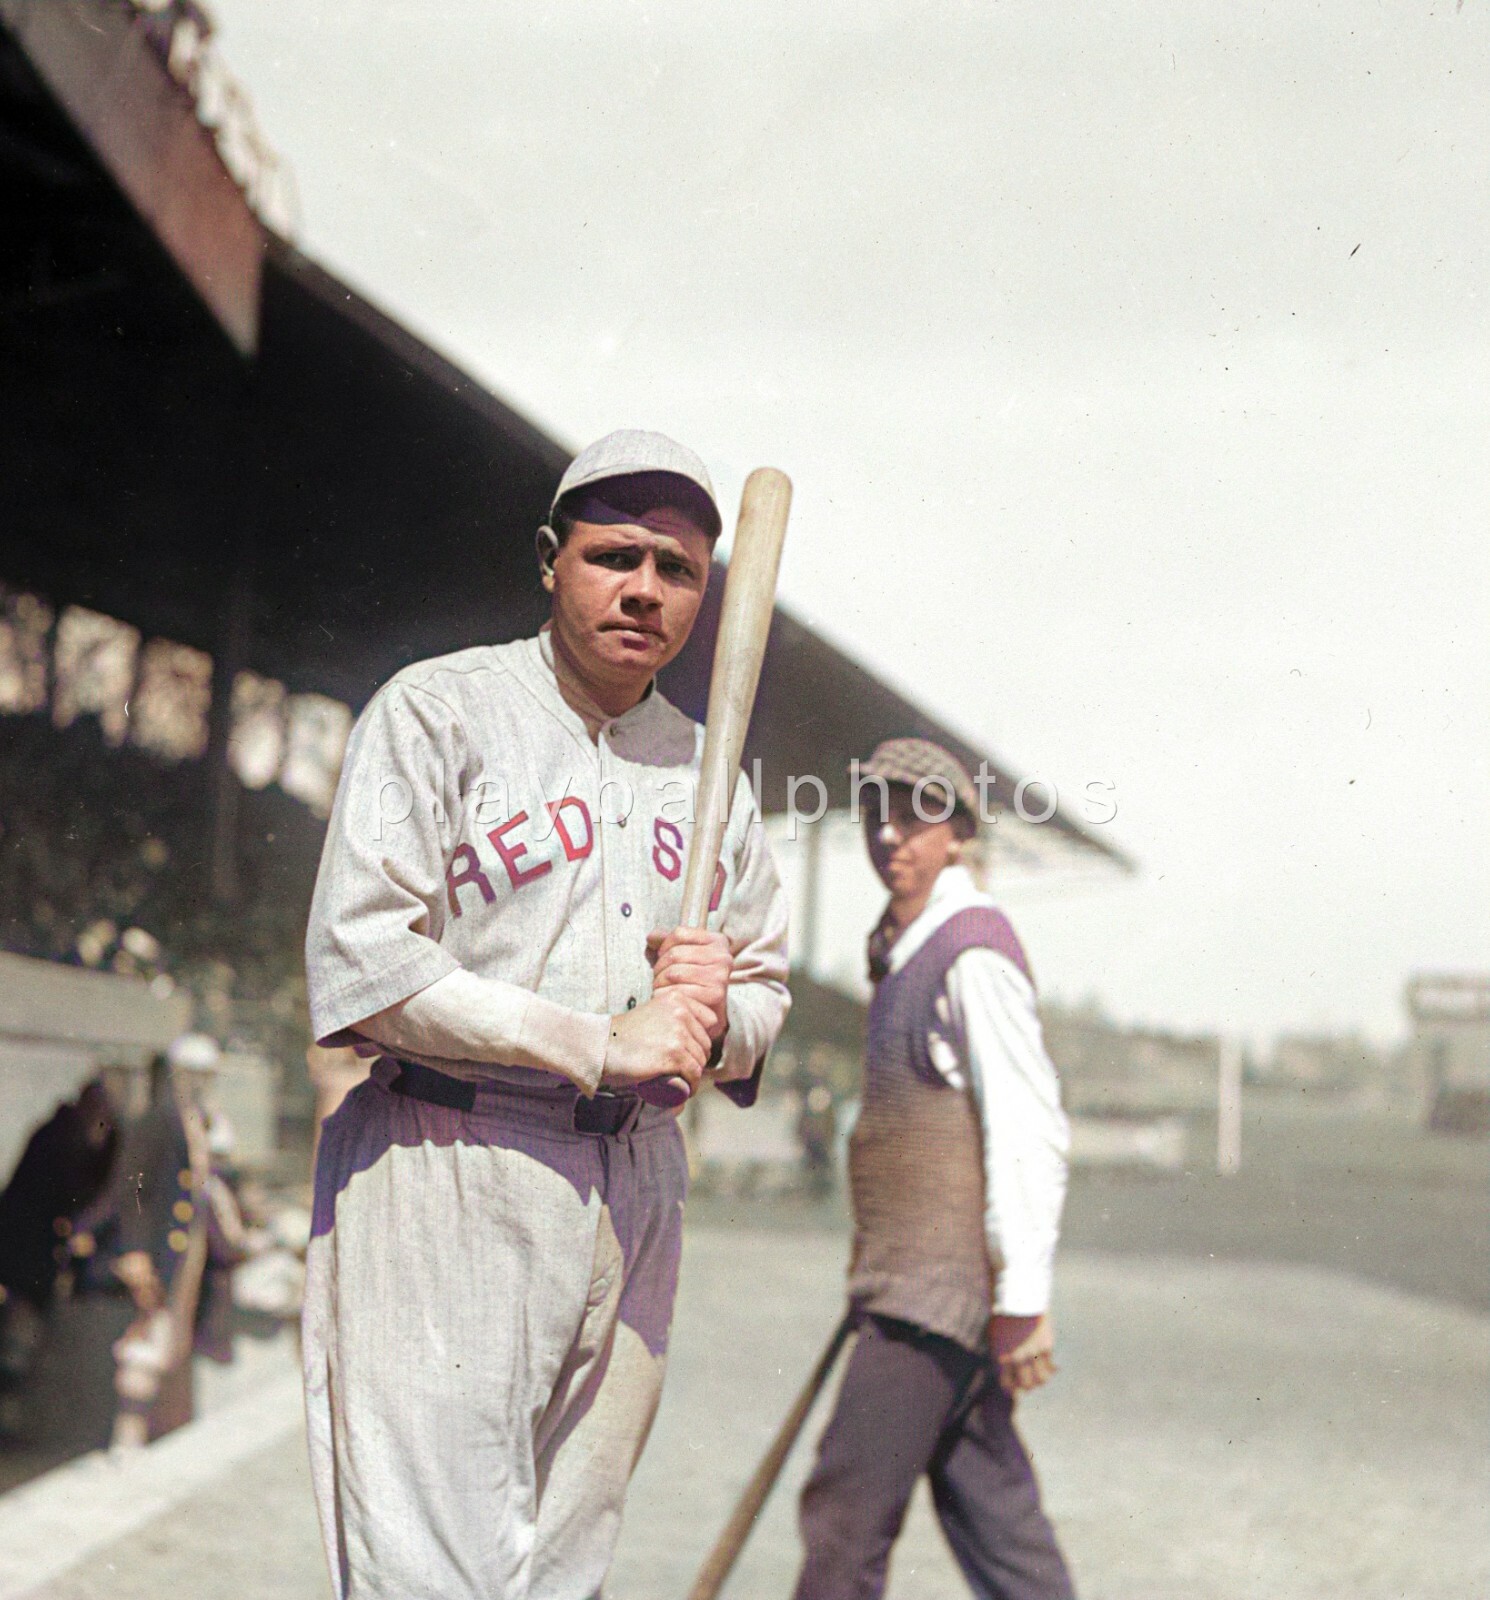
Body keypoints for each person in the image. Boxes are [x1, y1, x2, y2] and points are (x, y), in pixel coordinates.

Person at [303, 429, 790, 1600]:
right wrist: (594, 1039)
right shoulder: (438, 713)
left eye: (676, 571)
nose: (644, 590)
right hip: (450, 1159)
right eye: (614, 556)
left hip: (636, 1184)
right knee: (428, 1570)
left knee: (566, 1567)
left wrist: (715, 1019)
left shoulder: (705, 767)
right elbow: (359, 958)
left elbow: (767, 982)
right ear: (547, 559)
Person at [793, 738, 1076, 1600]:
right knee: (1001, 1527)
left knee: (843, 1520)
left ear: (957, 832)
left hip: (929, 1303)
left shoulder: (973, 952)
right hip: (914, 1291)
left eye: (915, 814)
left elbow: (1028, 1127)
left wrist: (1024, 1299)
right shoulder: (906, 946)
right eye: (876, 812)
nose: (889, 833)